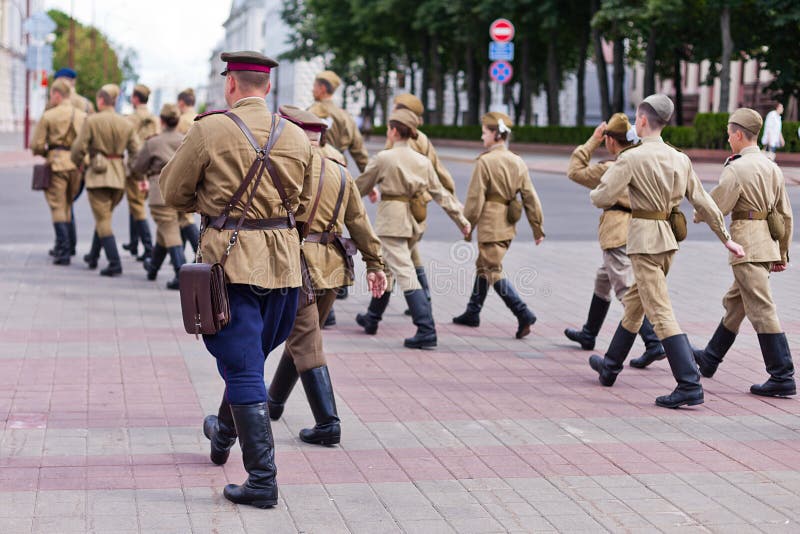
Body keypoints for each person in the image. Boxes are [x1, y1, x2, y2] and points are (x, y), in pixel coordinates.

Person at [160, 51, 314, 509]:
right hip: (285, 269)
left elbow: (173, 192)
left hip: (230, 267)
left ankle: (262, 480)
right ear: (266, 88)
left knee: (244, 366)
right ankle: (223, 432)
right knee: (248, 359)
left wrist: (214, 203)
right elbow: (303, 204)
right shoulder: (298, 136)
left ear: (231, 85)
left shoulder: (210, 128)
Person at [587, 94, 745, 408]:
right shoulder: (679, 158)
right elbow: (704, 201)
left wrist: (599, 189)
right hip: (669, 241)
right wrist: (725, 237)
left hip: (644, 241)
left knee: (659, 311)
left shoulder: (631, 158)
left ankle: (689, 383)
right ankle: (611, 365)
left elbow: (602, 197)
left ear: (643, 120)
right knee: (636, 303)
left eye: (635, 118)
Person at [262, 105, 386, 447]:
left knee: (305, 339)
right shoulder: (341, 173)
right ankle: (274, 402)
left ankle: (327, 423)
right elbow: (360, 223)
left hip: (296, 266)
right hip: (332, 267)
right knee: (304, 335)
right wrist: (376, 264)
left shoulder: (285, 169)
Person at [693, 108, 794, 397]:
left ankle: (782, 374)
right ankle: (710, 359)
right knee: (736, 304)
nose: (728, 139)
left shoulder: (737, 168)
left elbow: (718, 205)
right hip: (766, 246)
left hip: (746, 248)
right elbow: (785, 215)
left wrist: (699, 213)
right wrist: (782, 253)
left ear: (738, 134)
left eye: (729, 134)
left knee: (761, 308)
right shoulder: (771, 166)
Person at [355, 108, 470, 349]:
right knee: (388, 269)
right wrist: (462, 220)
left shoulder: (384, 158)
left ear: (394, 131)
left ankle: (426, 329)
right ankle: (372, 318)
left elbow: (358, 188)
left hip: (392, 223)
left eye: (388, 128)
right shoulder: (422, 161)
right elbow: (441, 194)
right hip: (414, 222)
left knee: (404, 273)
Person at [563, 114, 666, 366]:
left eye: (605, 138)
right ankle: (589, 333)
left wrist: (592, 141)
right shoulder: (644, 161)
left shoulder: (612, 167)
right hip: (640, 229)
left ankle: (653, 342)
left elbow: (574, 171)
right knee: (604, 277)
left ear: (610, 140)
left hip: (618, 232)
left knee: (625, 290)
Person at [452, 112, 542, 339]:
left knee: (492, 269)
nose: (482, 137)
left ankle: (523, 313)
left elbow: (475, 199)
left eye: (484, 132)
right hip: (508, 224)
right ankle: (473, 312)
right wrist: (537, 227)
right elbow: (530, 197)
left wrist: (466, 223)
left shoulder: (486, 161)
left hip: (491, 224)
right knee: (483, 264)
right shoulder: (517, 161)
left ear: (495, 134)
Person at [385, 93, 457, 317]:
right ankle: (423, 298)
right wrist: (450, 195)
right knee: (411, 253)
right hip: (419, 207)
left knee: (392, 259)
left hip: (400, 208)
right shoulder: (423, 138)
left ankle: (375, 314)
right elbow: (439, 169)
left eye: (396, 107)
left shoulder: (399, 137)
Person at [71, 84, 140, 276]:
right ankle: (93, 256)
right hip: (119, 178)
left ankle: (114, 262)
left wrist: (79, 163)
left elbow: (78, 149)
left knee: (102, 220)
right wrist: (131, 170)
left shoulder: (92, 121)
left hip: (98, 176)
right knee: (104, 217)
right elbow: (137, 151)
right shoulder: (126, 123)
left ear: (100, 101)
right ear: (114, 102)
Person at [30, 79, 87, 265]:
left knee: (57, 206)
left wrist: (48, 152)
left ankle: (62, 250)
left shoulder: (49, 115)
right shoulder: (82, 115)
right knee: (69, 204)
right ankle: (69, 247)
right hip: (76, 165)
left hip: (56, 163)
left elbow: (36, 145)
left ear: (56, 94)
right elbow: (86, 144)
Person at [131, 103, 185, 289]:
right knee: (165, 230)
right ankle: (153, 267)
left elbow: (138, 167)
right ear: (178, 121)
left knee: (169, 230)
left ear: (161, 121)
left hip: (159, 191)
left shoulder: (153, 142)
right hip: (182, 191)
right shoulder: (186, 139)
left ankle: (181, 274)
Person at [122, 84, 158, 261]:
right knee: (135, 204)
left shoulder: (131, 118)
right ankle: (134, 242)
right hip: (152, 167)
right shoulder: (154, 118)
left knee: (137, 206)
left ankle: (148, 247)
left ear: (135, 99)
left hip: (136, 168)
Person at [308, 70, 369, 172]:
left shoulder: (310, 112)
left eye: (314, 86)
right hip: (340, 172)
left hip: (314, 169)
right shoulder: (346, 116)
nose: (312, 90)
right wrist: (370, 180)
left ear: (322, 88)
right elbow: (359, 152)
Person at [176, 87, 201, 252]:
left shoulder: (182, 121)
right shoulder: (201, 118)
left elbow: (177, 148)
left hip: (184, 171)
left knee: (184, 217)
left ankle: (199, 251)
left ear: (181, 103)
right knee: (181, 217)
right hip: (200, 170)